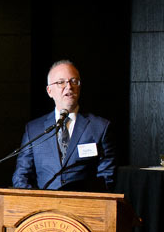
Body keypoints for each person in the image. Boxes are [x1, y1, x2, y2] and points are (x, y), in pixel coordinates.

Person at [11, 60, 116, 191]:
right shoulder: (34, 129)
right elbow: (21, 176)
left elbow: (107, 176)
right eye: (61, 82)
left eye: (74, 81)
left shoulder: (100, 127)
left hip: (83, 207)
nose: (69, 87)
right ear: (49, 91)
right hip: (44, 208)